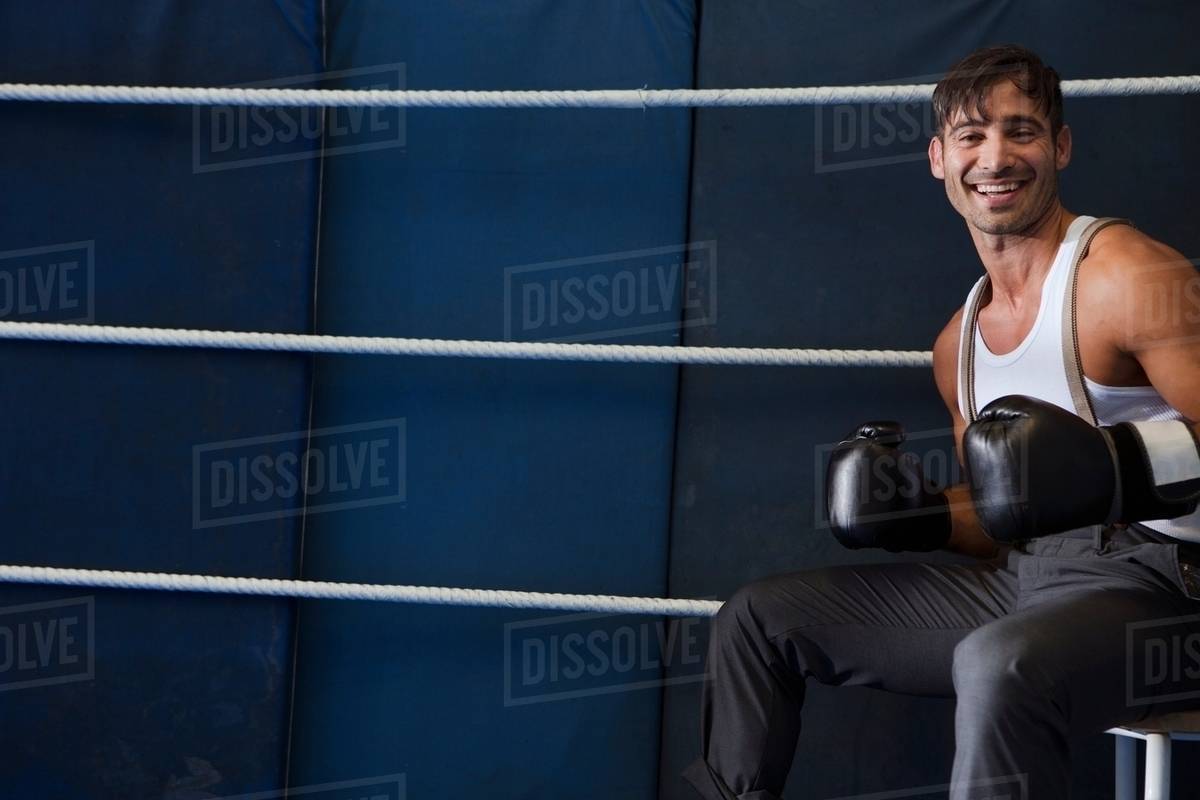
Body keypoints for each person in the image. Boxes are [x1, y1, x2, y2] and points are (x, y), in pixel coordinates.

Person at [683, 43, 1200, 800]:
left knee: (1000, 660)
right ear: (938, 158)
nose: (996, 156)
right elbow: (1004, 525)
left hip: (1171, 598)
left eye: (1022, 131)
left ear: (1060, 146)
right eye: (971, 135)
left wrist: (1114, 469)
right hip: (1035, 586)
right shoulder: (957, 346)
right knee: (757, 620)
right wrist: (922, 515)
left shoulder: (1126, 277)